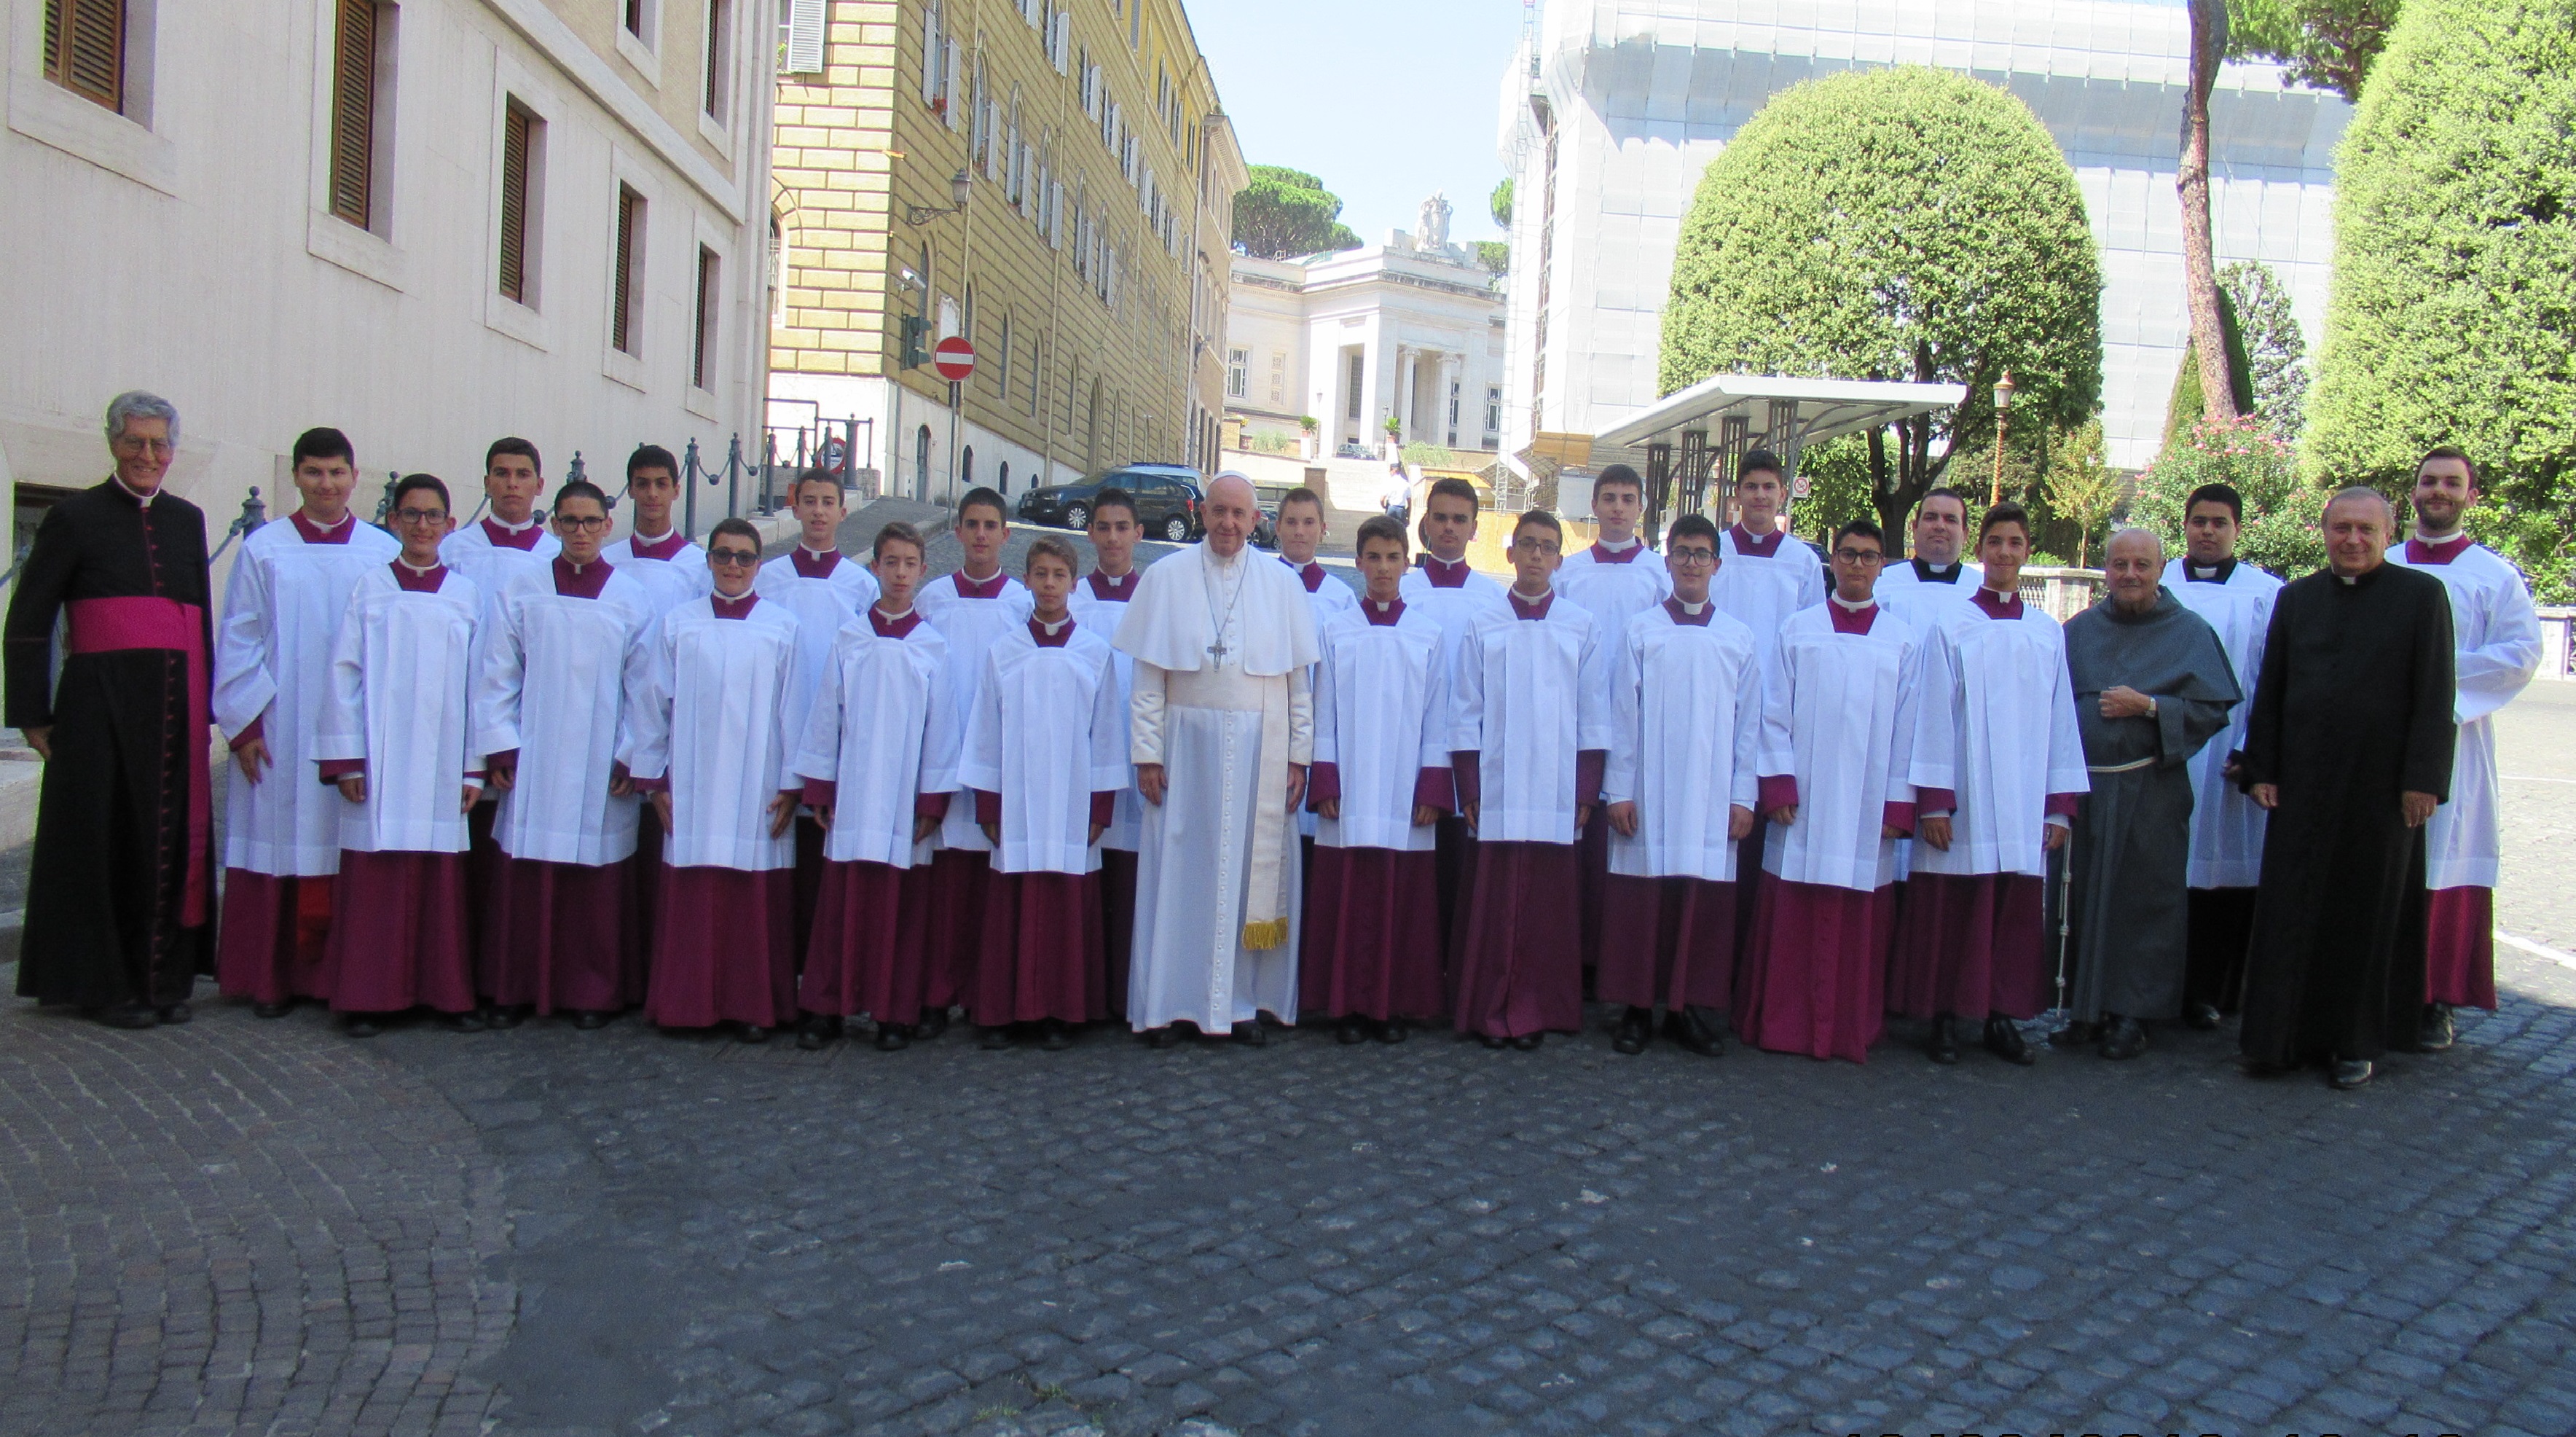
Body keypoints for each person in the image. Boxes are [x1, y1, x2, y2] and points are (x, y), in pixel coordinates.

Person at [5, 391, 217, 1027]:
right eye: (135, 442)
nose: (147, 455)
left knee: (169, 837)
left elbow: (197, 614)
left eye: (158, 444)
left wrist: (204, 708)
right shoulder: (73, 517)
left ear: (173, 450)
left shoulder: (187, 519)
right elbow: (29, 617)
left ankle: (163, 978)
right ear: (112, 444)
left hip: (175, 705)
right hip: (98, 707)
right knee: (101, 840)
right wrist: (32, 713)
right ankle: (104, 986)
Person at [2239, 488, 2456, 1089]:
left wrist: (2424, 781)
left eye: (2366, 529)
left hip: (2381, 788)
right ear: (2325, 531)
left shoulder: (2421, 598)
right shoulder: (2297, 598)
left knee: (2365, 913)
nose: (2353, 540)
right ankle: (2276, 1040)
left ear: (2389, 534)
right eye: (2342, 529)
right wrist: (2263, 769)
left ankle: (2353, 1044)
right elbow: (2273, 689)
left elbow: (2436, 698)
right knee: (2290, 909)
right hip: (2303, 783)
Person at [1115, 471, 1320, 1046]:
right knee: (1178, 876)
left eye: (1240, 514)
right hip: (1185, 751)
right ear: (1202, 513)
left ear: (1257, 522)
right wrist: (1147, 753)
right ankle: (1166, 1005)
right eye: (1219, 511)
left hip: (1261, 749)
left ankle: (1240, 1005)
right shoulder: (1166, 576)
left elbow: (1296, 682)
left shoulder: (1282, 586)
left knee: (1243, 878)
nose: (1228, 524)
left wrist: (1298, 758)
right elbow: (1148, 677)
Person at [211, 426, 400, 1017]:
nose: (326, 484)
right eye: (314, 472)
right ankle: (273, 976)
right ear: (295, 475)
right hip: (281, 724)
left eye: (337, 473)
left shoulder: (381, 551)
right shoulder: (264, 547)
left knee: (350, 846)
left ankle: (340, 974)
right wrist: (243, 726)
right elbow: (239, 636)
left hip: (358, 723)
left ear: (354, 476)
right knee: (282, 840)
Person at [1892, 503, 2087, 1066]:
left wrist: (2058, 807)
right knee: (1953, 911)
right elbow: (1931, 715)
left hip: (2024, 799)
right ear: (1981, 551)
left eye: (2015, 543)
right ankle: (1945, 1018)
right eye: (1995, 542)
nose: (2004, 553)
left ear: (2028, 552)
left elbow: (2061, 722)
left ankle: (2002, 1017)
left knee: (2012, 912)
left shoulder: (2047, 632)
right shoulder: (1952, 627)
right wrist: (1933, 800)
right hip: (1967, 798)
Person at [1732, 520, 1923, 1063]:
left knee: (1857, 914)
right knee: (1794, 904)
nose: (1858, 565)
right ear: (1832, 562)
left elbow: (1909, 729)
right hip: (1806, 801)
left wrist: (1897, 803)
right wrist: (1779, 785)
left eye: (1868, 556)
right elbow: (1773, 716)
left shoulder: (1901, 640)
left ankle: (1846, 1026)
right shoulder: (1799, 629)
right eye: (1848, 555)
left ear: (1883, 565)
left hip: (1867, 807)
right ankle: (1785, 1021)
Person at [471, 479, 656, 1026]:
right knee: (528, 878)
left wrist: (631, 754)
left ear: (607, 526)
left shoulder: (629, 597)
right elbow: (497, 672)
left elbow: (645, 687)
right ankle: (515, 988)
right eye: (569, 521)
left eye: (591, 522)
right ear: (553, 525)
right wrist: (501, 745)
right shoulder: (523, 589)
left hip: (601, 763)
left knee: (593, 885)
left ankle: (590, 993)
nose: (580, 531)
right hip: (538, 754)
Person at [311, 474, 484, 1035]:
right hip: (381, 760)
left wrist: (473, 765)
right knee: (377, 881)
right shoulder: (371, 588)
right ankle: (368, 996)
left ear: (450, 526)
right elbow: (343, 674)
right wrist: (348, 760)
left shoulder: (465, 594)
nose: (423, 526)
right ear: (393, 522)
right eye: (411, 515)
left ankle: (444, 993)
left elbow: (481, 685)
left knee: (438, 880)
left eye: (434, 516)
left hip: (441, 758)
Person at [623, 518, 807, 1042]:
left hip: (759, 784)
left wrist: (792, 786)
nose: (732, 566)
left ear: (758, 564)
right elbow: (651, 705)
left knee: (752, 896)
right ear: (708, 561)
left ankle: (753, 1005)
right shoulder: (679, 624)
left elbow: (794, 712)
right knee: (696, 892)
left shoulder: (781, 627)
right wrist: (655, 781)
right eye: (723, 555)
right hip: (694, 781)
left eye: (745, 557)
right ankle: (687, 1004)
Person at [2059, 530, 2241, 1059]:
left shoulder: (2188, 632)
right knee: (2084, 896)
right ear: (2106, 569)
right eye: (2120, 565)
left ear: (2162, 569)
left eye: (2142, 565)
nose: (2130, 575)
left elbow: (2211, 709)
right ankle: (2083, 1011)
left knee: (2142, 903)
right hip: (2090, 787)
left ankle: (2131, 1014)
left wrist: (2151, 707)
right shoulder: (2080, 630)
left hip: (2150, 790)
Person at [2386, 447, 2541, 1048]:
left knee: (2447, 860)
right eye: (2429, 481)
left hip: (2457, 742)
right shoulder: (2386, 561)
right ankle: (2381, 987)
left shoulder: (2494, 576)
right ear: (2414, 492)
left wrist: (2433, 683)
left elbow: (2520, 655)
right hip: (2381, 739)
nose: (2440, 491)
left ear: (2471, 495)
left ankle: (2437, 1000)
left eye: (2453, 483)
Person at [1598, 513, 1760, 1057]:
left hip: (1711, 792)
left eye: (1701, 554)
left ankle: (1686, 1006)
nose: (1691, 563)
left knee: (1698, 898)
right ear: (1666, 562)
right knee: (1644, 900)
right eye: (1682, 553)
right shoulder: (1642, 630)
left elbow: (1749, 726)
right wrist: (1618, 789)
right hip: (1649, 787)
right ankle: (1638, 1007)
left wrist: (1743, 796)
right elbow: (1622, 714)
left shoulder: (1738, 638)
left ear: (1718, 564)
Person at [1448, 509, 1612, 1050]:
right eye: (1528, 545)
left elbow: (1594, 714)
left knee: (1546, 908)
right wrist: (1469, 785)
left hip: (1556, 786)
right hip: (1496, 784)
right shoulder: (1484, 625)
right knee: (1495, 904)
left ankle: (1539, 1007)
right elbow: (1465, 709)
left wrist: (1587, 788)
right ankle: (1491, 1005)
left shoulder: (1580, 626)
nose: (1537, 556)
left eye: (1547, 547)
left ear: (1560, 561)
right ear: (1510, 554)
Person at [792, 522, 959, 1050]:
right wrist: (820, 788)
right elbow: (825, 715)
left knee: (901, 911)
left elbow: (943, 731)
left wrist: (932, 802)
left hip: (904, 800)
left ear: (923, 571)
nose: (901, 573)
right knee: (839, 905)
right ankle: (825, 1008)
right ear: (876, 569)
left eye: (910, 564)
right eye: (891, 563)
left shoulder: (933, 647)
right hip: (855, 791)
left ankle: (893, 1011)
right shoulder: (850, 637)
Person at [960, 536, 1127, 1049]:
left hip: (1074, 799)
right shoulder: (1004, 652)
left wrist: (1101, 806)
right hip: (1017, 800)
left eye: (1059, 575)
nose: (1049, 584)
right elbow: (986, 730)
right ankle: (1005, 1010)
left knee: (1064, 905)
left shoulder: (1094, 654)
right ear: (1026, 580)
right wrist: (988, 803)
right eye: (1040, 574)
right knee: (1014, 903)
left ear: (1074, 586)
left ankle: (1061, 1010)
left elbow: (1105, 734)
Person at [1301, 516, 1453, 1043]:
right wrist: (1327, 780)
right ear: (1359, 562)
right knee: (1348, 893)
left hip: (1403, 789)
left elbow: (1438, 717)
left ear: (1407, 563)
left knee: (1400, 896)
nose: (1384, 568)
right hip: (1351, 784)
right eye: (1374, 557)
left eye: (1393, 558)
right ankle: (1345, 1005)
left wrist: (1433, 787)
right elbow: (1323, 712)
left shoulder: (1427, 634)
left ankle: (1389, 1005)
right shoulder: (1336, 630)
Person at [2159, 482, 2282, 1027]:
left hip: (2230, 754)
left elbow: (2272, 679)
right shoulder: (2154, 580)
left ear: (2237, 529)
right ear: (2184, 526)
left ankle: (2213, 989)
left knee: (2222, 875)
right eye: (2199, 521)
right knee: (2165, 876)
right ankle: (2158, 988)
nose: (2208, 531)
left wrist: (2255, 749)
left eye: (2219, 522)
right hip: (2163, 753)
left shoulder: (2267, 593)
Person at [915, 486, 1033, 1029]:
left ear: (1006, 536)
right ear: (957, 532)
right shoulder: (933, 598)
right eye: (972, 524)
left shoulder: (1022, 603)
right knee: (944, 884)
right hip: (942, 746)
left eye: (991, 525)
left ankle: (988, 993)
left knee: (992, 879)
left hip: (999, 754)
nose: (981, 535)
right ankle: (939, 989)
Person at [753, 469, 882, 953]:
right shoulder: (768, 578)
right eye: (809, 501)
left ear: (842, 512)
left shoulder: (858, 584)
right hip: (774, 729)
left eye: (828, 502)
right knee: (777, 844)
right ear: (794, 506)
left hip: (837, 731)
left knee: (824, 844)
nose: (819, 511)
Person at [439, 438, 560, 947]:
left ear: (539, 485)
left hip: (531, 721)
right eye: (501, 473)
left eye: (522, 474)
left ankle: (503, 957)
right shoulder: (455, 550)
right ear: (486, 482)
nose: (512, 484)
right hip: (457, 712)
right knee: (460, 844)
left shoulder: (558, 553)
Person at [1555, 464, 1672, 976]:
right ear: (1595, 506)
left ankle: (1618, 958)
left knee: (1624, 840)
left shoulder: (1659, 574)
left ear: (1641, 507)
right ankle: (1575, 956)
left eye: (1628, 499)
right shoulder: (1571, 573)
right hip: (1579, 717)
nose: (1619, 508)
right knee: (1581, 842)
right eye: (1609, 498)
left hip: (1638, 722)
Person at [1398, 476, 1512, 959]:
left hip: (1470, 746)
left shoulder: (1492, 598)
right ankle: (1414, 963)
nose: (1448, 527)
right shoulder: (1402, 586)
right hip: (1408, 744)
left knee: (1463, 862)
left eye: (1459, 519)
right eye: (1439, 517)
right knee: (1412, 861)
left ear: (1474, 529)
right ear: (1425, 522)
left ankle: (1460, 965)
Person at [1069, 488, 1145, 1019]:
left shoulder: (1157, 599)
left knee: (1135, 877)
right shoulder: (1068, 597)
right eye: (1104, 527)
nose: (1114, 537)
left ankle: (1129, 992)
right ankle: (1087, 991)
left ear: (1139, 534)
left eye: (1123, 527)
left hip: (1142, 751)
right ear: (1091, 534)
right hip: (1083, 758)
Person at [1275, 487, 1356, 881]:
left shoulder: (1341, 598)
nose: (1300, 531)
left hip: (1318, 727)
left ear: (1323, 529)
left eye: (1309, 522)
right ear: (1276, 527)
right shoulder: (1259, 584)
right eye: (1291, 521)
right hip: (1270, 725)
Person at [601, 445, 709, 616]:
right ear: (630, 490)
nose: (652, 494)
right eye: (643, 484)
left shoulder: (700, 566)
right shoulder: (607, 561)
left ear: (676, 490)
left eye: (661, 484)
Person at [1872, 487, 1982, 628]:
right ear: (1915, 528)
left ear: (1965, 534)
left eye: (1951, 520)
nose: (1940, 526)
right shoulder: (1883, 583)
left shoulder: (1980, 588)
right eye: (1931, 518)